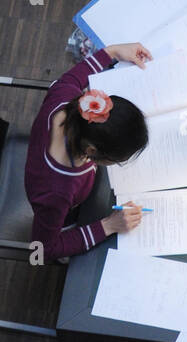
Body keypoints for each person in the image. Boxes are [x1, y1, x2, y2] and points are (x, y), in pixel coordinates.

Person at [25, 42, 153, 263]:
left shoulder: (66, 99)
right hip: (66, 213)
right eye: (118, 159)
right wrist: (109, 225)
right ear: (92, 151)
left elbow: (72, 79)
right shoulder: (58, 193)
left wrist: (112, 52)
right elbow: (43, 248)